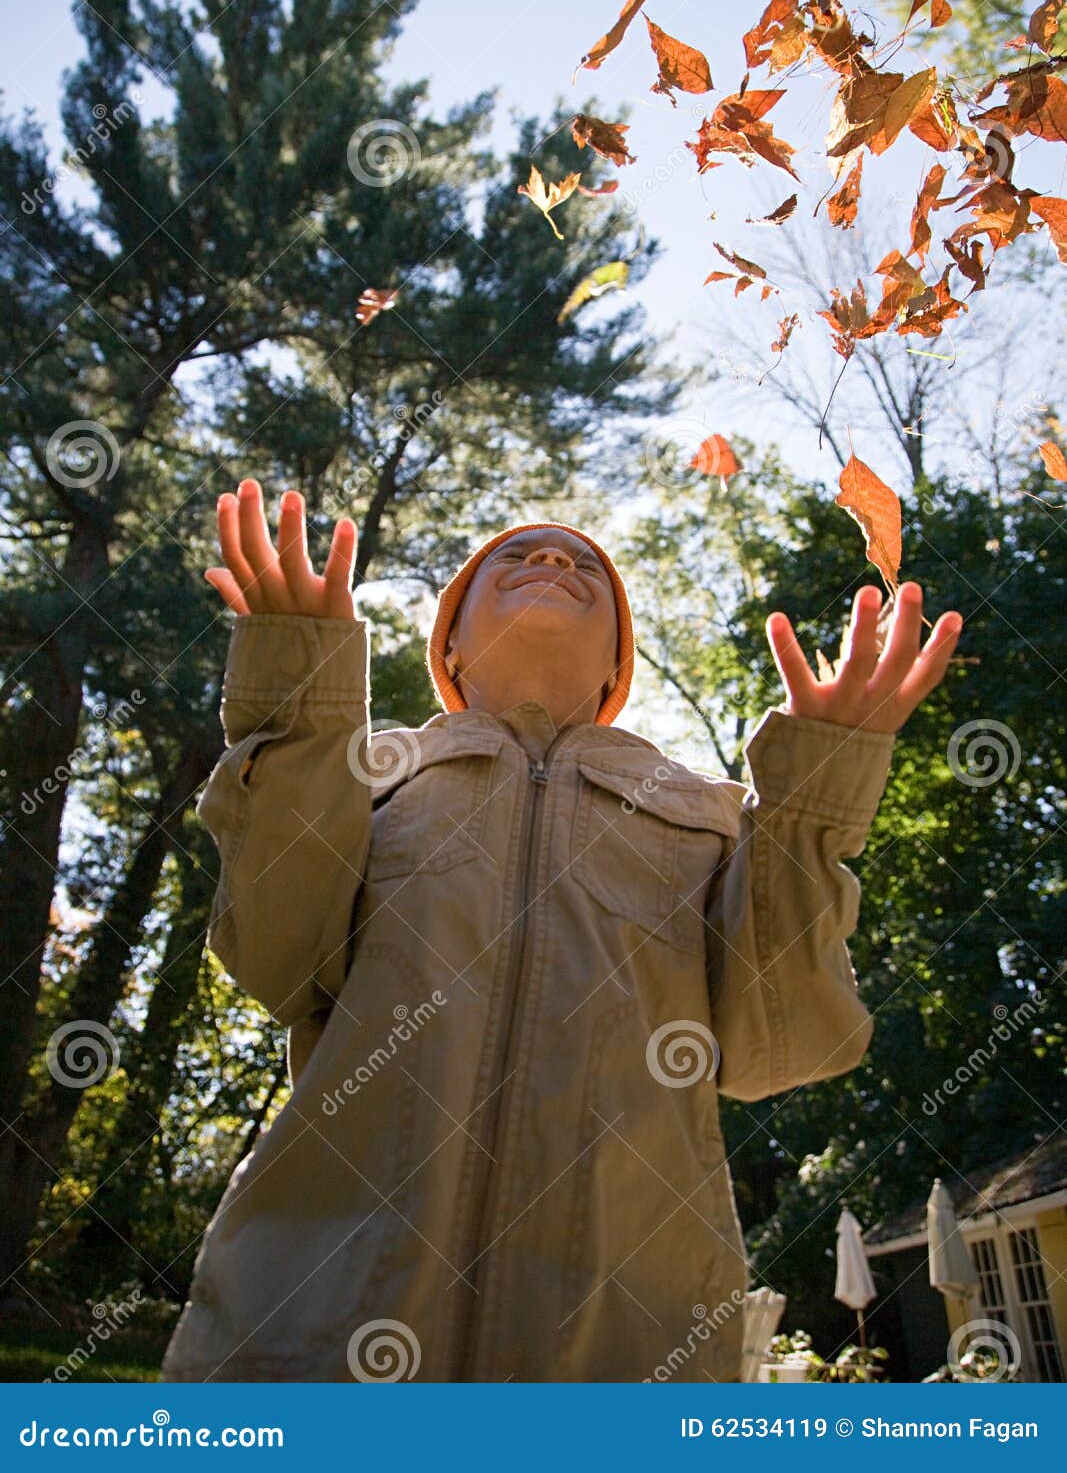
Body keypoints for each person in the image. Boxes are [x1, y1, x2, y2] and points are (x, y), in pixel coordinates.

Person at [161, 477, 962, 1383]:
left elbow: (776, 1044)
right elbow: (277, 960)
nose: (553, 559)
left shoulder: (714, 817)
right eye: (518, 554)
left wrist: (813, 798)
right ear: (449, 648)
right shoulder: (366, 777)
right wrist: (299, 689)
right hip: (313, 1325)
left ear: (617, 670)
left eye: (586, 566)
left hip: (625, 1349)